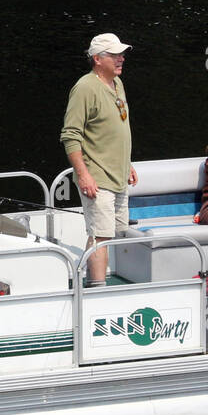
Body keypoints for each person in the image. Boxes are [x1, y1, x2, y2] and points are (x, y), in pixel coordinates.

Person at [61, 32, 138, 289]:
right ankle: (97, 289)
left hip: (117, 175)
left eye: (122, 54)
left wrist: (127, 163)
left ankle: (94, 282)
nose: (121, 59)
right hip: (98, 177)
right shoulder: (85, 87)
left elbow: (117, 129)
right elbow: (70, 136)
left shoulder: (117, 84)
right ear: (97, 59)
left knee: (114, 232)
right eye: (115, 55)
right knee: (100, 235)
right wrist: (83, 174)